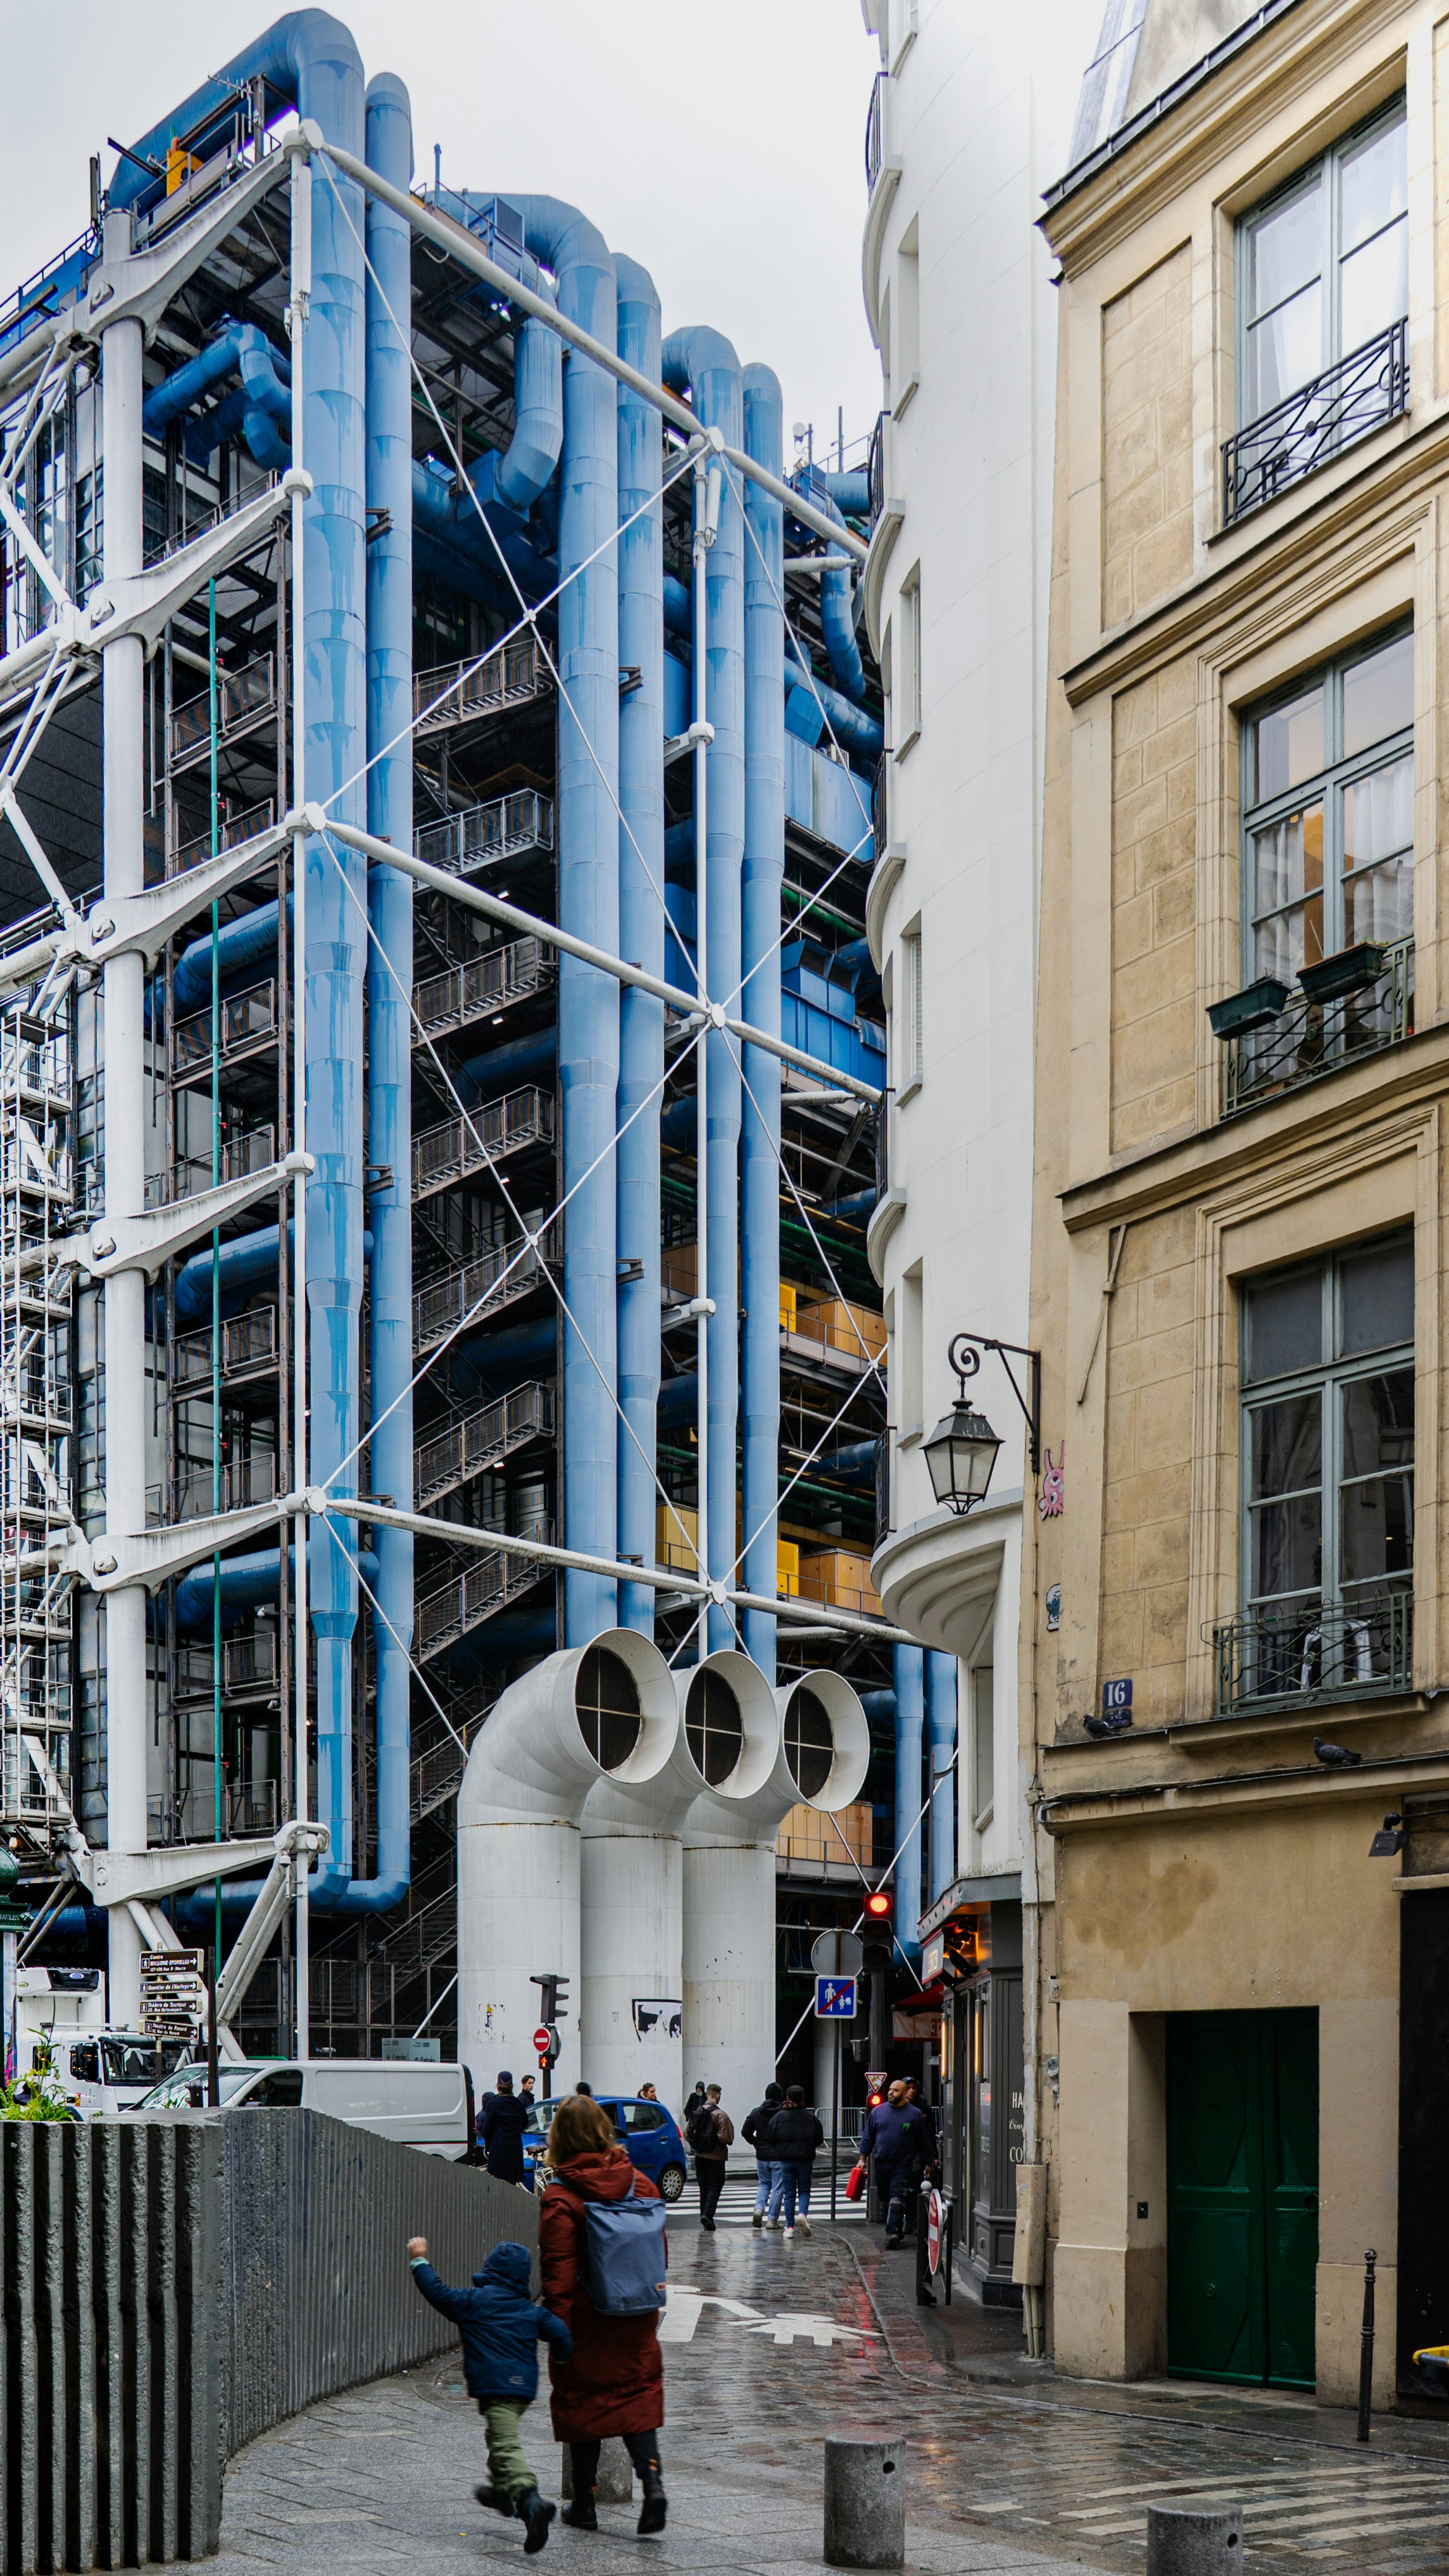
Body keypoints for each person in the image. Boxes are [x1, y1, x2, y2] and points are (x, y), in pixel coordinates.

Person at [538, 2092, 668, 2536]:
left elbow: (557, 2275)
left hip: (587, 2317)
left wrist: (558, 2332)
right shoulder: (640, 2183)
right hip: (635, 2311)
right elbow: (658, 2251)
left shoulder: (561, 2196)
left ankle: (586, 2502)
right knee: (637, 2396)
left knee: (582, 2404)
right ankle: (652, 2485)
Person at [407, 2234, 570, 2554]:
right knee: (498, 2438)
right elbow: (560, 2332)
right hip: (521, 2390)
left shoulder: (474, 2301)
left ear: (490, 2270)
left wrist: (419, 2261)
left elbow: (438, 2293)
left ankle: (530, 2498)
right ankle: (500, 2493)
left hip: (497, 2389)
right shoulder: (529, 2310)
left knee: (505, 2443)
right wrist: (562, 2355)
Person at [860, 2079, 927, 2247]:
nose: (891, 2093)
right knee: (885, 2195)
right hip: (882, 2162)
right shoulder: (878, 2112)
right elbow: (868, 2136)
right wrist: (862, 2159)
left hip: (903, 2163)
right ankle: (894, 2224)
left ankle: (893, 2232)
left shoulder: (914, 2114)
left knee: (897, 2196)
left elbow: (923, 2139)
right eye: (890, 2090)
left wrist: (929, 2159)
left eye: (895, 2091)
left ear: (904, 2094)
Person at [763, 2084, 823, 2238]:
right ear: (803, 2098)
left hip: (785, 2159)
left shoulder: (779, 2117)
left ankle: (789, 2227)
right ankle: (803, 2214)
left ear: (788, 2098)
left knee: (789, 2193)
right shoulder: (812, 2118)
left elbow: (770, 2138)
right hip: (805, 2158)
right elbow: (819, 2139)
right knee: (804, 2190)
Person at [687, 2083, 732, 2231]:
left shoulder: (697, 2113)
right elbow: (726, 2138)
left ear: (707, 2095)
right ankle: (708, 2214)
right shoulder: (721, 2115)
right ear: (718, 2095)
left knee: (703, 2187)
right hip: (716, 2157)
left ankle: (704, 2215)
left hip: (699, 2155)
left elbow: (687, 2134)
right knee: (715, 2186)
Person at [741, 2080, 783, 2229]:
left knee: (764, 2184)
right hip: (778, 2155)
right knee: (778, 2188)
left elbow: (745, 2131)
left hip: (762, 2155)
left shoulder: (756, 2112)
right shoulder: (783, 2113)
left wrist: (756, 2142)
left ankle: (759, 2209)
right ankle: (772, 2220)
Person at [479, 2069, 529, 2185]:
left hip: (498, 2147)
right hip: (514, 2147)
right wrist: (517, 2131)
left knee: (497, 2181)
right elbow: (525, 2122)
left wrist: (489, 2145)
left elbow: (487, 2129)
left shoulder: (493, 2104)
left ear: (498, 2087)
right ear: (512, 2087)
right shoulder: (519, 2103)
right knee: (512, 2182)